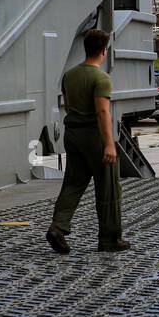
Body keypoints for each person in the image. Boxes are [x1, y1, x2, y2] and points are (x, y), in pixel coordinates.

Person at [46, 29, 129, 254]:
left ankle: (58, 227)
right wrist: (110, 144)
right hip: (94, 136)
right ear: (104, 51)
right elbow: (103, 113)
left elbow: (68, 103)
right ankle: (110, 239)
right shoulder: (101, 78)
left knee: (73, 183)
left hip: (72, 134)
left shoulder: (69, 75)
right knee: (109, 187)